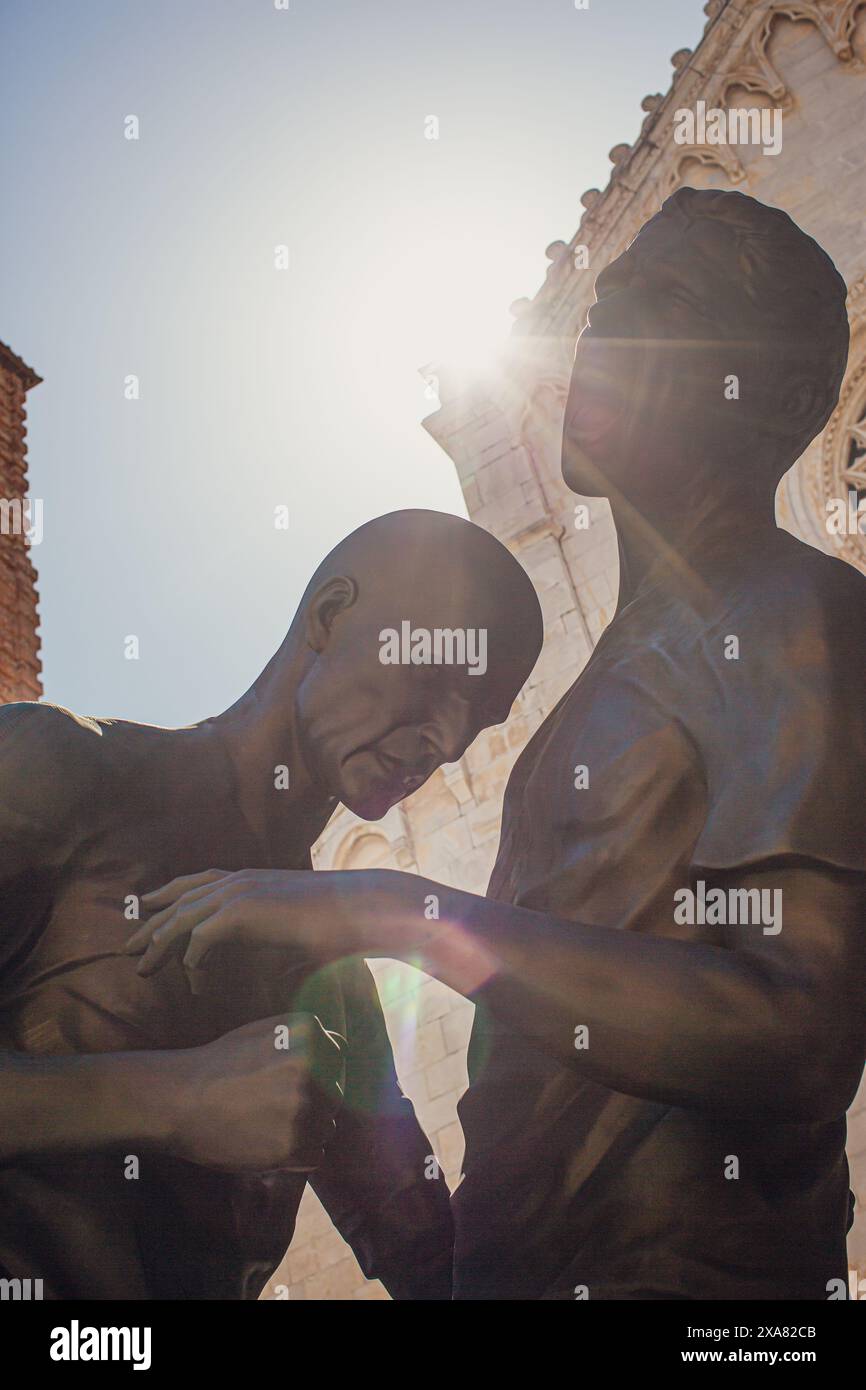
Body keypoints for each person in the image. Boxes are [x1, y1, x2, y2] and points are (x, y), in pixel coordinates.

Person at [137, 190, 866, 1300]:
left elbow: (800, 1033)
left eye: (662, 308)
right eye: (602, 309)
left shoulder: (790, 608)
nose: (602, 344)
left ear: (766, 387)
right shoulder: (599, 689)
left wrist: (395, 912)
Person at [0, 508, 542, 1299]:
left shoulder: (335, 987)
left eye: (479, 718)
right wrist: (169, 1098)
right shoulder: (52, 767)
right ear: (329, 616)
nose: (446, 742)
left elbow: (434, 1258)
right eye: (437, 676)